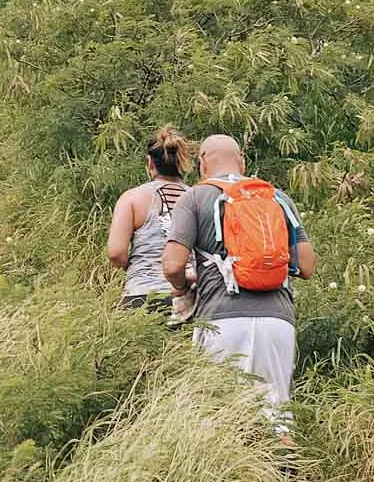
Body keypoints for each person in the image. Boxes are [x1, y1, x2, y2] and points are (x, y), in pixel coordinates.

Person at [162, 134, 316, 433]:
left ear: (202, 164)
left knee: (222, 423)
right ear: (242, 161)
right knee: (277, 421)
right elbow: (307, 266)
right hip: (277, 321)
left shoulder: (194, 197)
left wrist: (183, 289)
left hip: (222, 320)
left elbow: (172, 264)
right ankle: (289, 475)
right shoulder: (276, 197)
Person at [106, 126, 191, 318]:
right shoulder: (199, 197)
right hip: (189, 299)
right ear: (182, 163)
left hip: (141, 296)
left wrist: (133, 266)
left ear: (150, 163)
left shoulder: (132, 198)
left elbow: (115, 253)